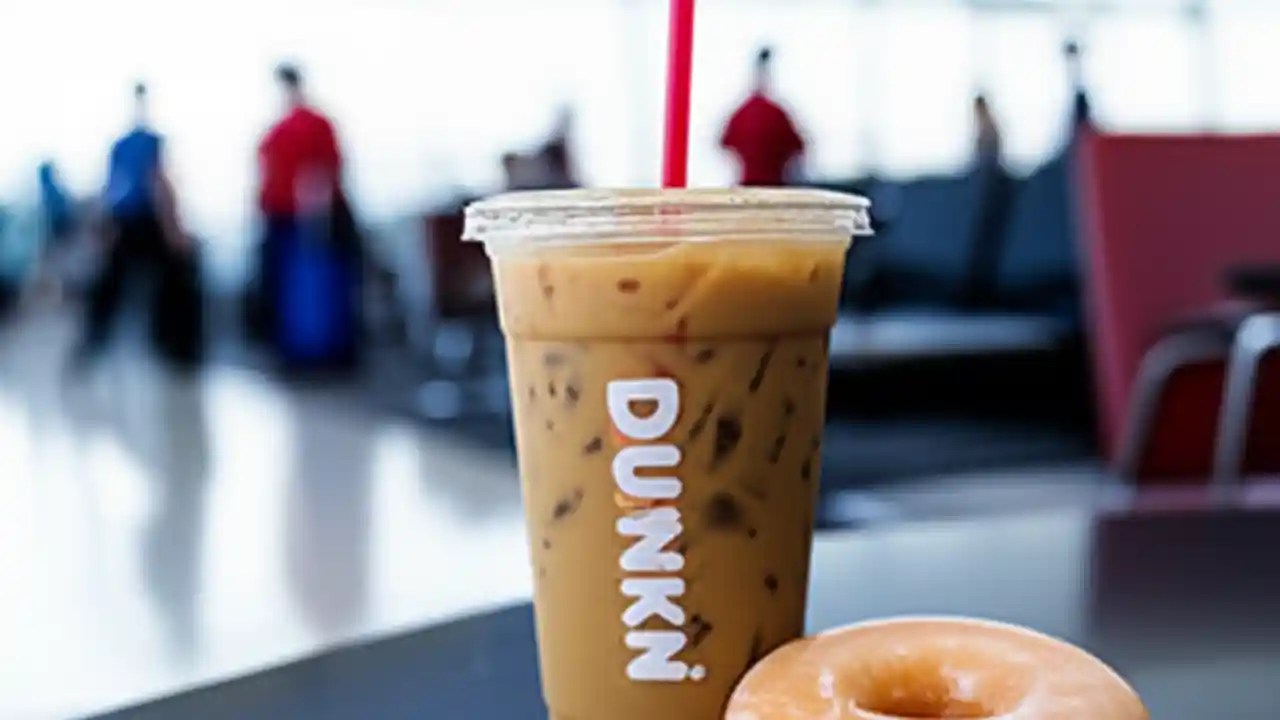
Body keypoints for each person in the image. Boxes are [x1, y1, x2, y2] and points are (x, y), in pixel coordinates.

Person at [73, 82, 189, 368]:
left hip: (131, 223)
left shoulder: (130, 143)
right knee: (136, 286)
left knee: (122, 288)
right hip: (139, 222)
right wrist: (172, 229)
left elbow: (112, 188)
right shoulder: (140, 143)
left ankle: (99, 346)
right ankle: (161, 348)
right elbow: (155, 184)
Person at [252, 63, 360, 366]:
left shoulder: (310, 124)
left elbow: (319, 172)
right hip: (283, 217)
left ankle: (324, 351)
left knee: (319, 287)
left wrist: (316, 219)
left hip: (307, 218)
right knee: (291, 291)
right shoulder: (278, 129)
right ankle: (300, 350)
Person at [720, 47, 805, 187]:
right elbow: (798, 147)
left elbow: (724, 142)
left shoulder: (744, 113)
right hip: (771, 190)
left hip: (754, 189)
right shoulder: (775, 113)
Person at [962, 94, 1016, 309]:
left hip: (993, 196)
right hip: (986, 196)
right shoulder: (985, 130)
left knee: (986, 244)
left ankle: (980, 290)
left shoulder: (989, 130)